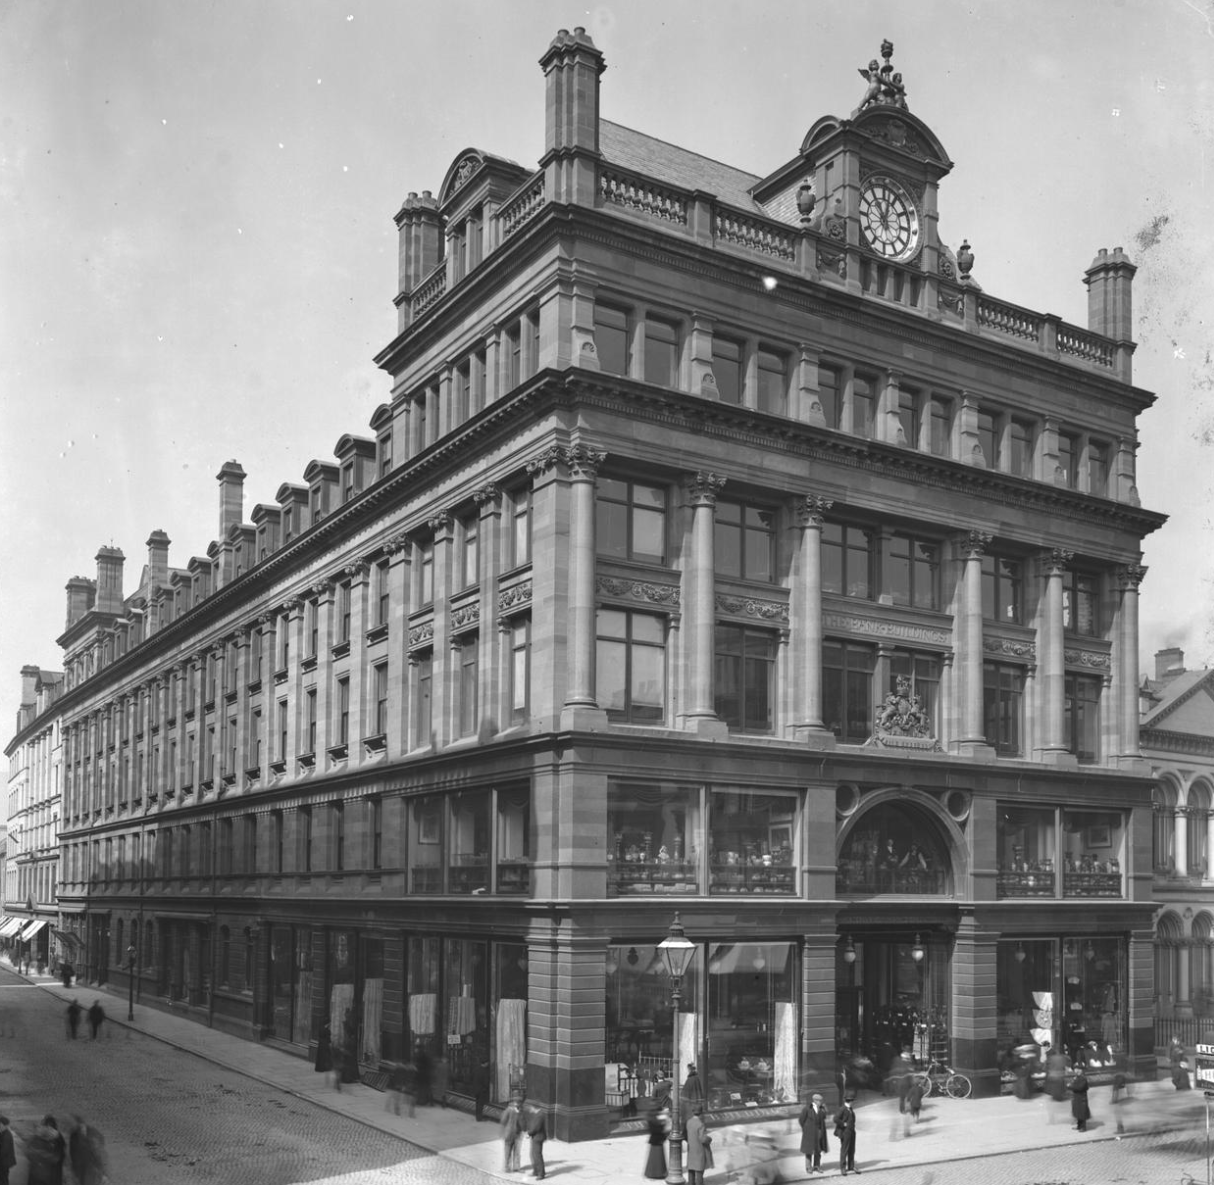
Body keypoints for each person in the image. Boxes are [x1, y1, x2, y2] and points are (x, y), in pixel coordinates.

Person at [25, 1115, 66, 1185]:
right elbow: (28, 1152)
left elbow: (58, 1157)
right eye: (46, 1127)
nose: (49, 1130)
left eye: (51, 1128)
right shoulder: (36, 1138)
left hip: (49, 1175)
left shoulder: (58, 1140)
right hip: (38, 1174)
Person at [67, 1116, 107, 1185]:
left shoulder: (91, 1137)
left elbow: (97, 1154)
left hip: (89, 1167)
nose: (82, 1130)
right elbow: (72, 1153)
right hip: (80, 1167)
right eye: (80, 1129)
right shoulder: (74, 1138)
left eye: (83, 1129)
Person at [798, 1091, 829, 1173]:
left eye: (821, 1101)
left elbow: (824, 1117)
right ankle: (808, 1167)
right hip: (809, 1133)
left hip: (819, 1132)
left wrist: (825, 1109)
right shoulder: (807, 1109)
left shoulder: (821, 1109)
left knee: (818, 1150)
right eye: (819, 1101)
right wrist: (805, 1129)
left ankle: (817, 1166)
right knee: (809, 1150)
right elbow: (801, 1120)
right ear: (815, 1101)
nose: (820, 1102)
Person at [684, 1103, 713, 1185]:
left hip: (691, 1149)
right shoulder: (700, 1124)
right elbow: (702, 1139)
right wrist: (709, 1139)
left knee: (691, 1168)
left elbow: (685, 1135)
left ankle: (691, 1183)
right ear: (701, 1112)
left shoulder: (688, 1122)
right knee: (699, 1169)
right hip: (699, 1150)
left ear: (693, 1112)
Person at [834, 1092, 859, 1176]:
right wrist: (843, 1124)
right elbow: (835, 1119)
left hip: (852, 1132)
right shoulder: (843, 1109)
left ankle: (851, 1166)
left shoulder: (850, 1109)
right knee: (844, 1150)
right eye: (852, 1101)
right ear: (850, 1101)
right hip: (845, 1133)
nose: (853, 1102)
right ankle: (843, 1168)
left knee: (852, 1149)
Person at [644, 1103, 671, 1179]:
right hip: (658, 1140)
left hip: (656, 1140)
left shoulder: (652, 1117)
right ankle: (658, 1173)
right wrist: (663, 1126)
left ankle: (652, 1173)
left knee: (654, 1158)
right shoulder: (654, 1118)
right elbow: (656, 1129)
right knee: (658, 1158)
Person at [524, 1100, 547, 1180]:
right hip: (535, 1137)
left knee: (537, 1155)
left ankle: (541, 1173)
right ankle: (536, 1171)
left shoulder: (540, 1115)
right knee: (533, 1155)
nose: (530, 1110)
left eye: (531, 1108)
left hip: (538, 1138)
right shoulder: (537, 1114)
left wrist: (529, 1133)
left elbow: (536, 1128)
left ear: (534, 1108)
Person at [500, 1096, 523, 1172]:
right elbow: (503, 1120)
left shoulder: (519, 1111)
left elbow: (521, 1123)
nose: (517, 1105)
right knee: (509, 1151)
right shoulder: (509, 1110)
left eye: (519, 1103)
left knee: (516, 1151)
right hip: (510, 1134)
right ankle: (507, 1167)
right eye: (517, 1103)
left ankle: (515, 1167)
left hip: (516, 1134)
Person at [472, 1056, 490, 1121]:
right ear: (485, 1063)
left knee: (477, 1103)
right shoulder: (484, 1071)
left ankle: (477, 1116)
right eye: (487, 1063)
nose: (488, 1064)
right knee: (480, 1104)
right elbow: (486, 1082)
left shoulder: (476, 1069)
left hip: (476, 1089)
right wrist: (486, 1087)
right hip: (482, 1090)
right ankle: (479, 1117)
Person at [0, 1116, 15, 1185]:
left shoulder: (7, 1135)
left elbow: (4, 1151)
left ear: (4, 1125)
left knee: (3, 1178)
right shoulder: (3, 1133)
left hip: (4, 1162)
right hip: (3, 1161)